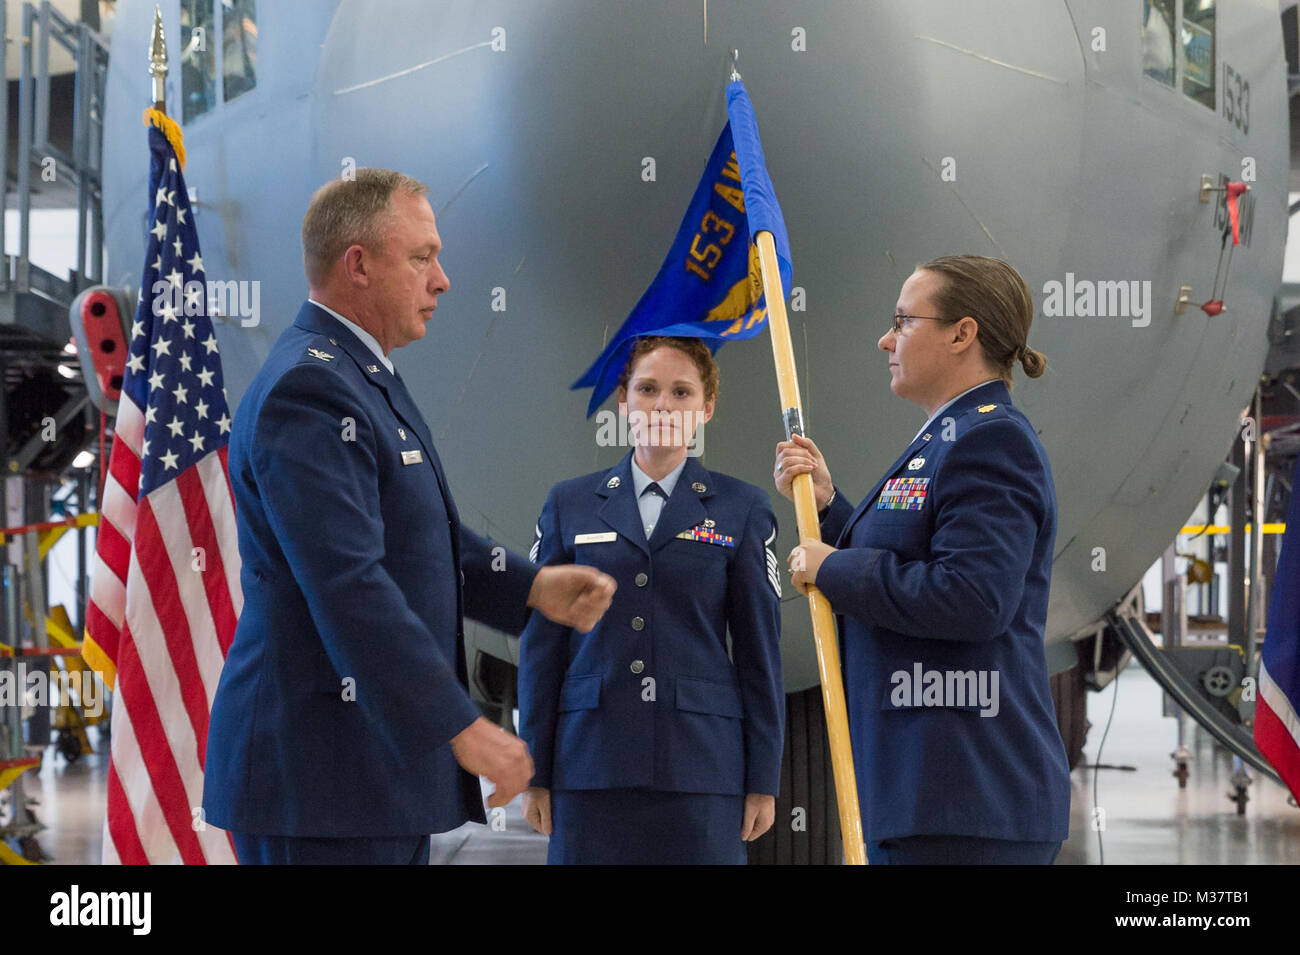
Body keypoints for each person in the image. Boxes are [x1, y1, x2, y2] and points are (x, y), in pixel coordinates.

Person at [202, 168, 616, 865]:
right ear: (357, 264)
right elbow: (347, 582)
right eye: (422, 256)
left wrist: (530, 588)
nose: (443, 279)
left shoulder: (360, 375)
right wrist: (460, 722)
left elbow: (421, 537)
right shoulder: (309, 390)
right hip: (318, 780)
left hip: (367, 778)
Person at [775, 254, 1070, 865]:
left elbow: (972, 598)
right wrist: (830, 508)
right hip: (923, 794)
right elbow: (915, 550)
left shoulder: (991, 439)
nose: (886, 338)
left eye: (904, 321)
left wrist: (831, 568)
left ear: (962, 334)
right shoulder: (949, 435)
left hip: (965, 797)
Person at [518, 336, 784, 864]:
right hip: (589, 763)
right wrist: (535, 770)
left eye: (682, 392)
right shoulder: (569, 504)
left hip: (702, 769)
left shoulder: (742, 509)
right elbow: (541, 646)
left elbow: (760, 655)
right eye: (647, 388)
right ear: (624, 402)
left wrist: (763, 779)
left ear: (707, 407)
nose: (663, 404)